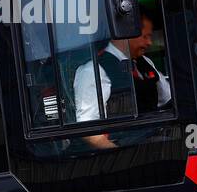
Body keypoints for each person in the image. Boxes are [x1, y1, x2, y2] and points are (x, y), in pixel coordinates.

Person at [72, 10, 172, 150]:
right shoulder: (93, 71)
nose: (149, 42)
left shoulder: (146, 63)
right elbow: (88, 130)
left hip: (156, 146)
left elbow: (167, 99)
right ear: (126, 32)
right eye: (145, 36)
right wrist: (123, 156)